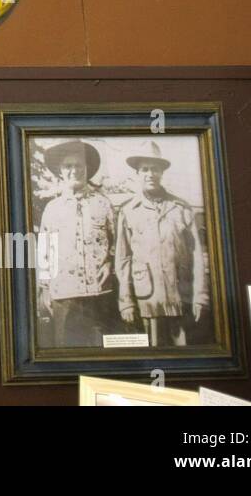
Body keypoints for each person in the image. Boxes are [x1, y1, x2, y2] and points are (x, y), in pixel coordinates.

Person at [115, 140, 209, 346]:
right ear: (137, 174)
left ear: (162, 173)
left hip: (180, 298)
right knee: (152, 356)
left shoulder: (181, 208)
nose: (150, 174)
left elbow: (196, 256)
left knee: (183, 359)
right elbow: (123, 261)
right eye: (145, 169)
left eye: (155, 169)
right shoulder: (128, 211)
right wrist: (126, 303)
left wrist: (200, 296)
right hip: (147, 300)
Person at [35, 139, 118, 348]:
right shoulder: (52, 209)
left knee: (101, 353)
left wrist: (110, 263)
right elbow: (44, 254)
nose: (74, 170)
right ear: (61, 171)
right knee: (65, 352)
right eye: (68, 166)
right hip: (64, 296)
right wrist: (45, 290)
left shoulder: (103, 204)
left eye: (78, 165)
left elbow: (118, 243)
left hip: (99, 294)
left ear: (87, 169)